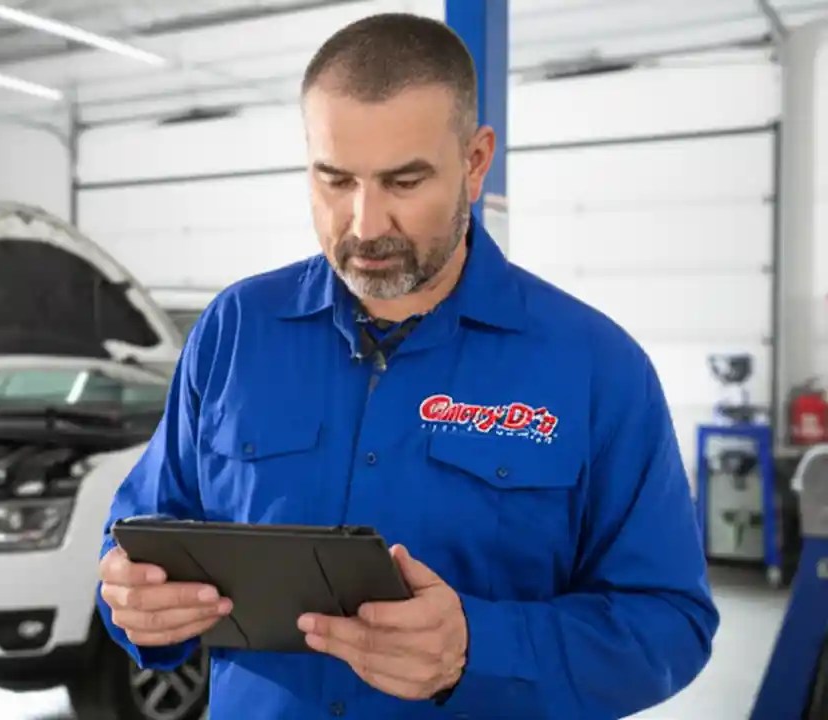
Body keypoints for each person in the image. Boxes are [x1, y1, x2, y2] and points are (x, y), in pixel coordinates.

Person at [95, 12, 719, 720]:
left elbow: (671, 625)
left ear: (476, 162)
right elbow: (138, 540)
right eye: (335, 180)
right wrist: (130, 602)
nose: (364, 225)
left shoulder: (596, 367)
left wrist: (478, 646)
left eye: (404, 182)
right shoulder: (235, 331)